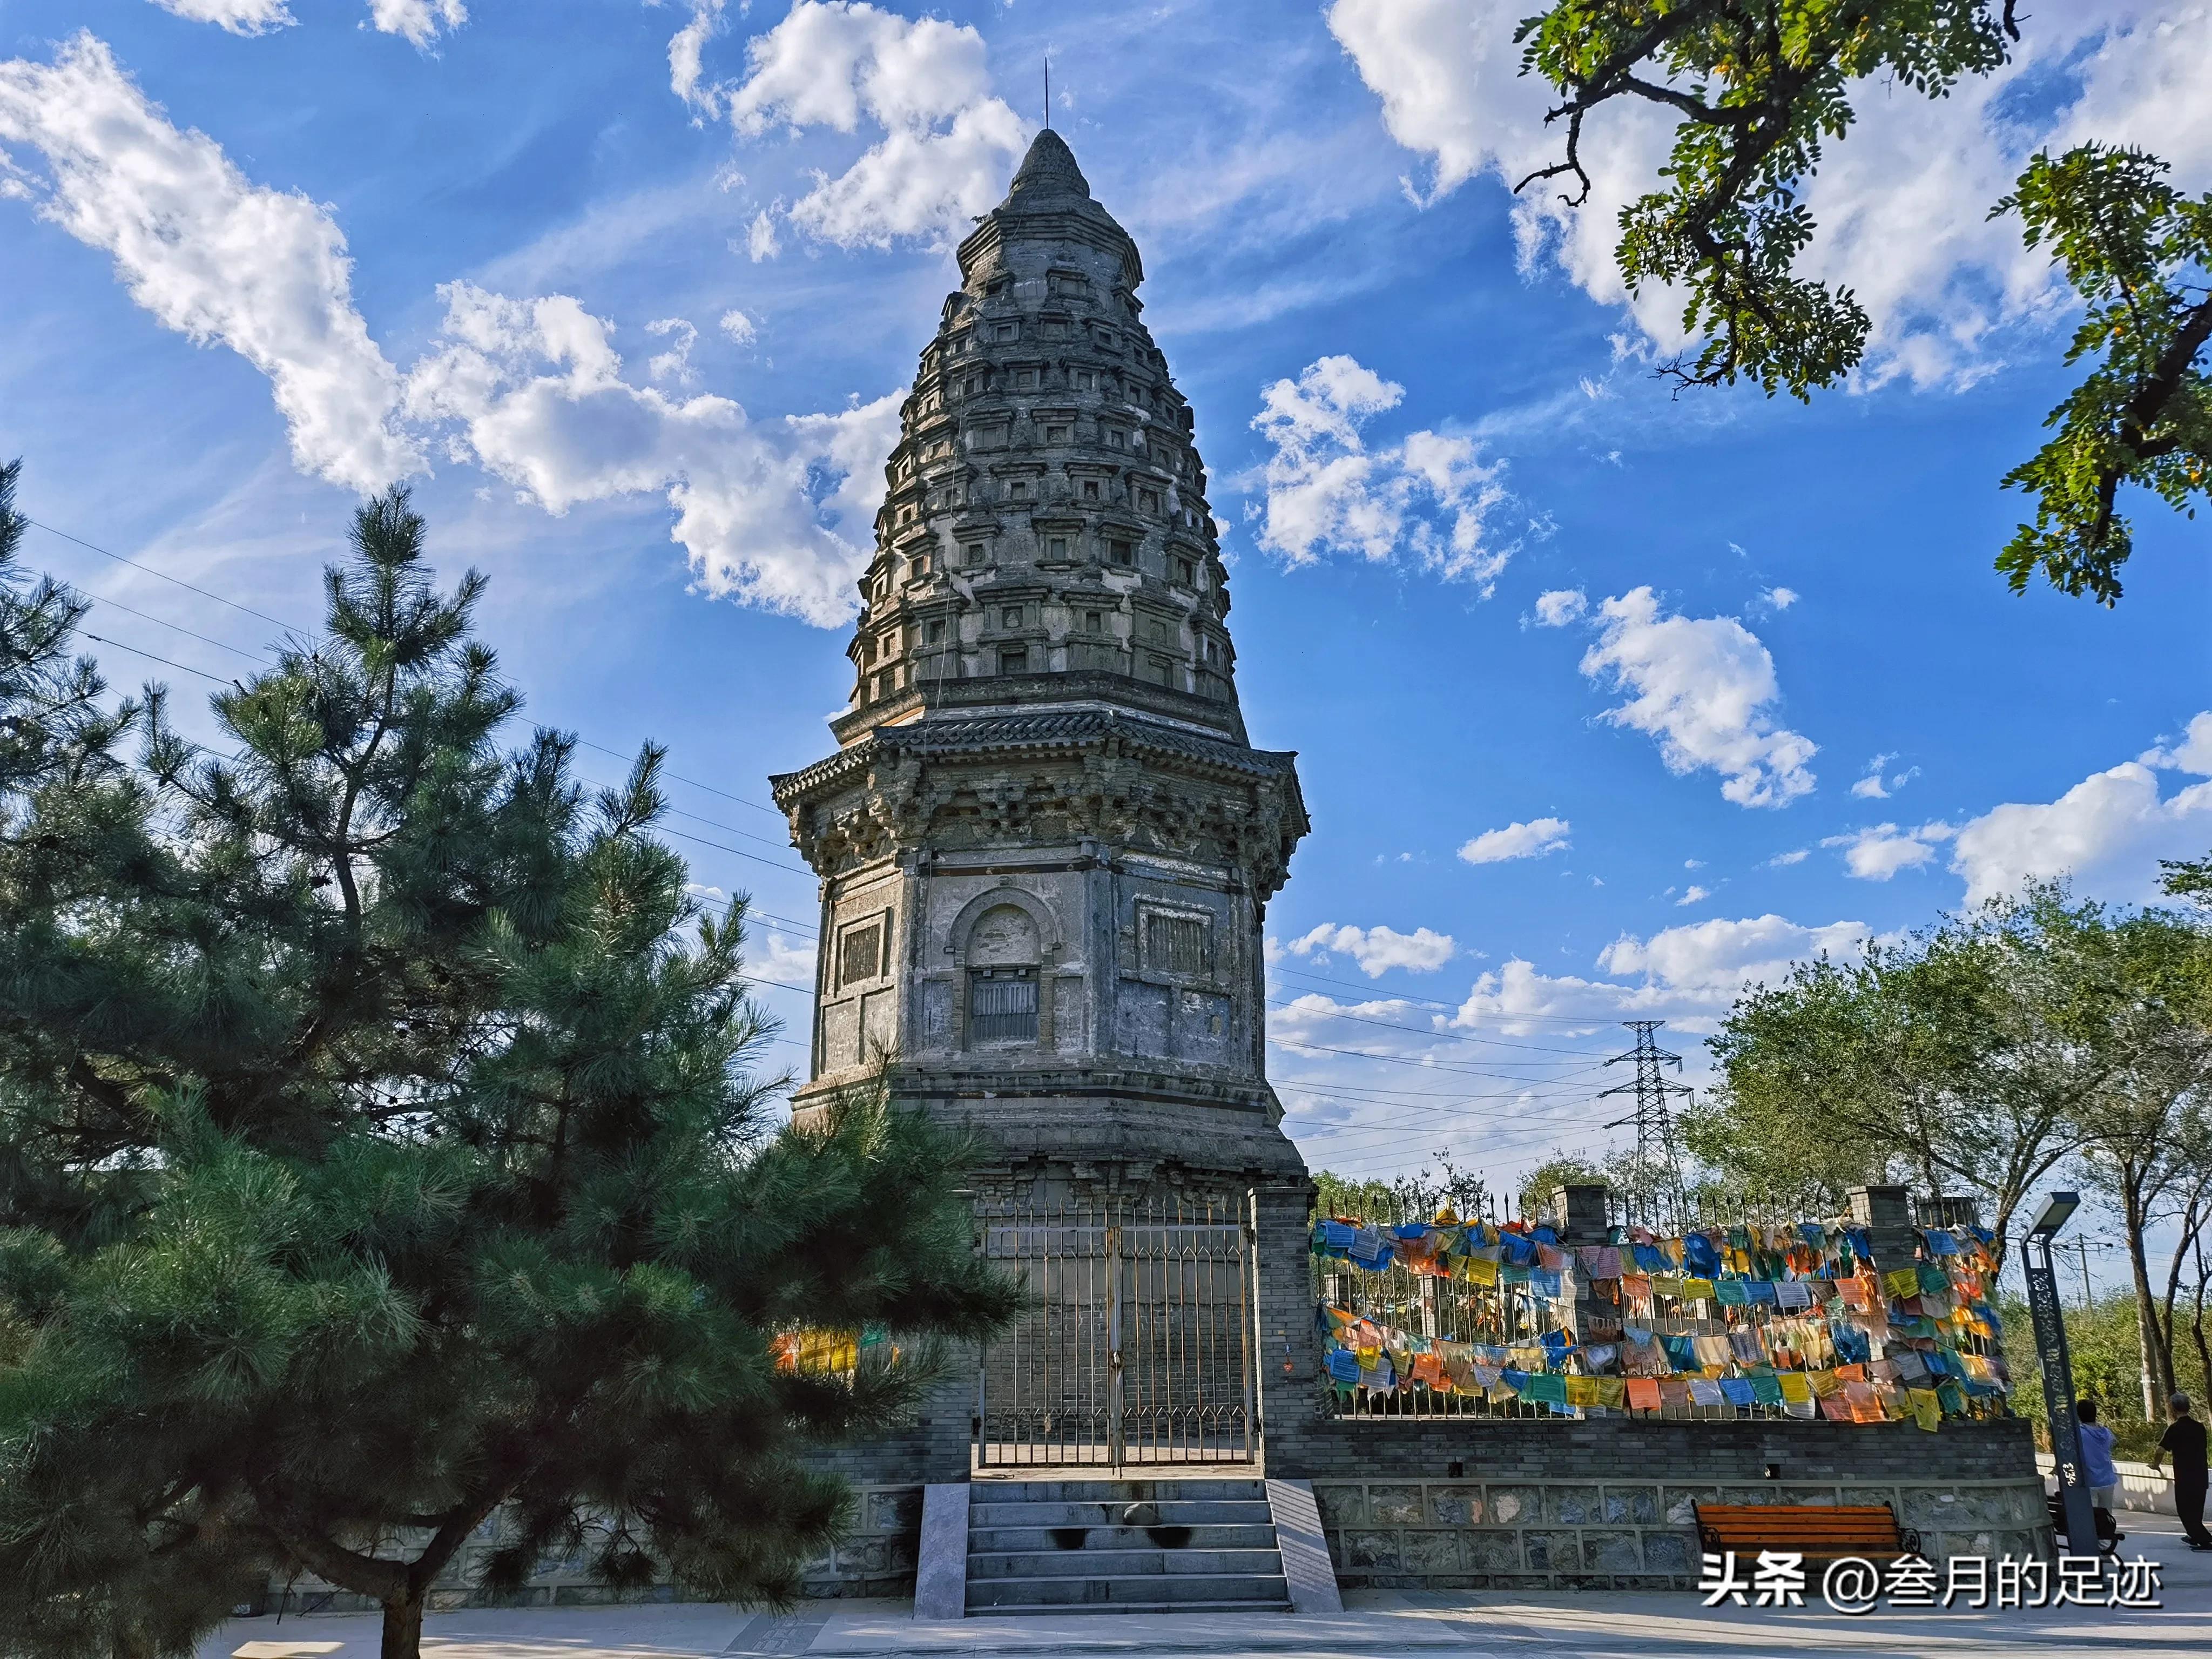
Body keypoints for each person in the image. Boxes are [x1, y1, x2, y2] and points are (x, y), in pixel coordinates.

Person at [2149, 1392, 2211, 1551]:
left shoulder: (2175, 1429)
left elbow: (2160, 1450)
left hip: (2185, 1476)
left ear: (2174, 1409)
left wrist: (2155, 1465)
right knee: (2196, 1509)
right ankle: (2195, 1536)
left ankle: (2205, 1541)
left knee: (2185, 1510)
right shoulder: (2200, 1428)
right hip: (2201, 1474)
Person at [2076, 1398, 2121, 1513]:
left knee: (2090, 1516)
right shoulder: (2106, 1432)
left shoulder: (2079, 1433)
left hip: (2089, 1481)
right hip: (2108, 1480)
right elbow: (2113, 1444)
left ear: (2079, 1415)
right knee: (2106, 1515)